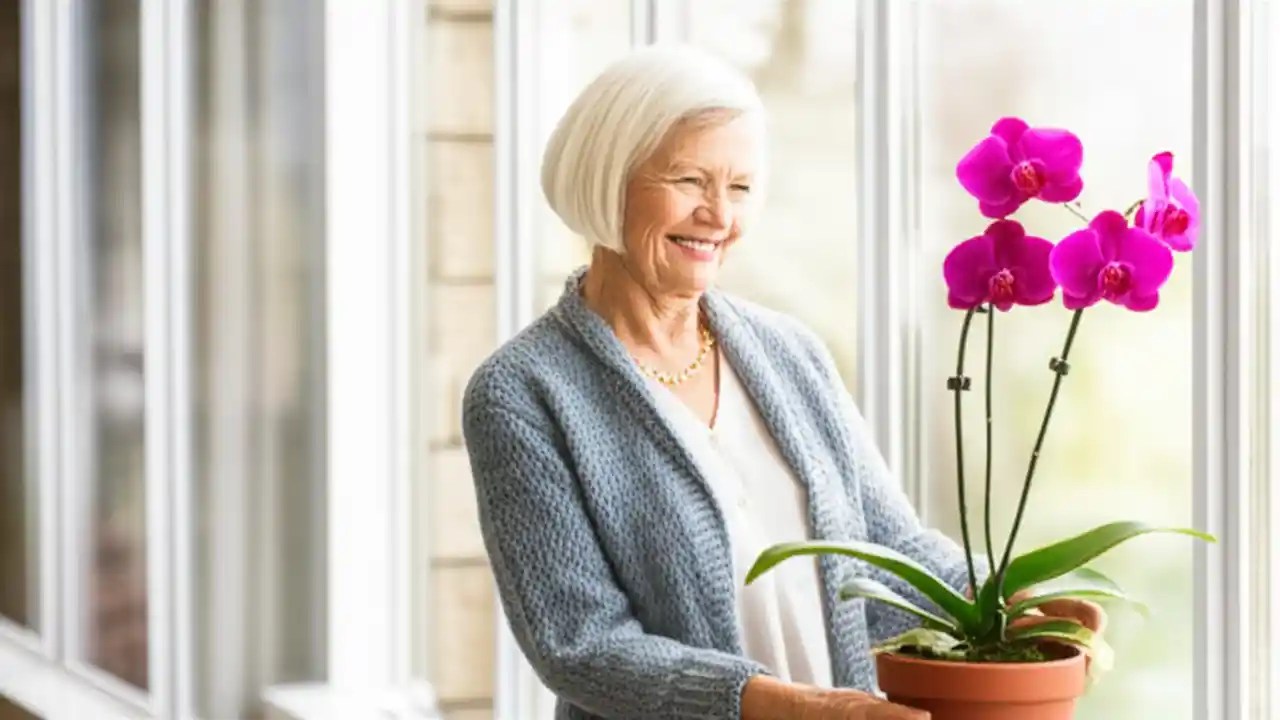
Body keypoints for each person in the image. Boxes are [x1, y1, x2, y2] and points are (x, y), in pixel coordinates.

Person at [462, 44, 1102, 720]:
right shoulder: (523, 392)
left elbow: (892, 552)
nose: (719, 215)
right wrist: (798, 708)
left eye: (739, 188)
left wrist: (1008, 607)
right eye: (688, 180)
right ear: (606, 176)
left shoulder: (789, 353)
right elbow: (581, 646)